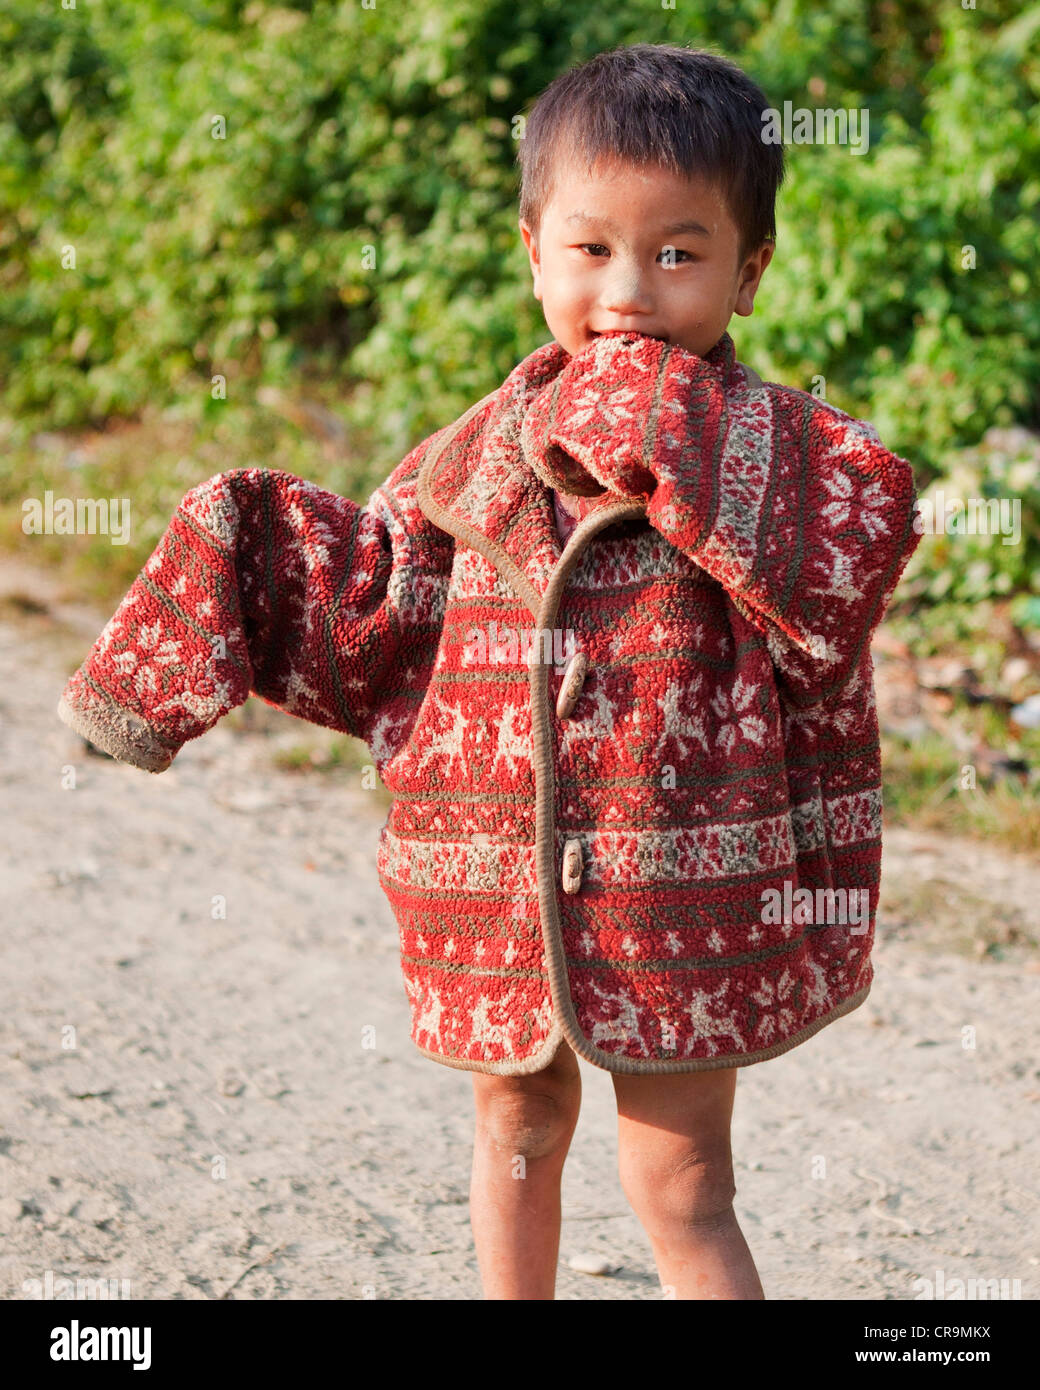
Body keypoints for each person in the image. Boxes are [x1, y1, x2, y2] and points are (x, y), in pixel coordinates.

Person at [57, 44, 922, 1300]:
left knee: (680, 1185)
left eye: (678, 253)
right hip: (497, 892)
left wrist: (663, 434)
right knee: (514, 1131)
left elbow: (852, 550)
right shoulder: (466, 462)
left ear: (750, 270)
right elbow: (378, 610)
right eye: (589, 250)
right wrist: (235, 561)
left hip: (677, 900)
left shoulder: (785, 456)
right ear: (532, 252)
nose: (628, 292)